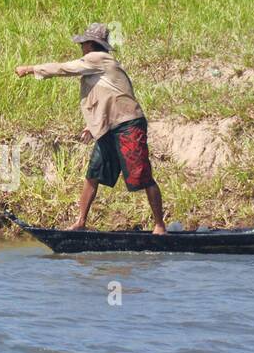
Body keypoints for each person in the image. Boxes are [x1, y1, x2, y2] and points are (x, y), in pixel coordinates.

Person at [15, 23, 166, 234]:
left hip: (127, 125)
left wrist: (31, 69)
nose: (81, 48)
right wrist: (92, 124)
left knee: (142, 175)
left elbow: (63, 68)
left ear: (90, 45)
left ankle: (160, 226)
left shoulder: (98, 59)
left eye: (83, 44)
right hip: (109, 127)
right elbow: (110, 94)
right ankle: (80, 222)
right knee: (93, 174)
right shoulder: (101, 66)